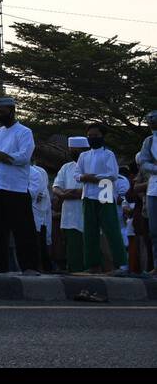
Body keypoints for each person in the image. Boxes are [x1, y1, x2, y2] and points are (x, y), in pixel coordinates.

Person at [0, 96, 40, 274]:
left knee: (23, 230)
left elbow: (24, 156)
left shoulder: (24, 132)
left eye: (2, 111)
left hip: (17, 188)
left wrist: (2, 156)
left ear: (12, 110)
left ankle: (29, 266)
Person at [78, 122, 128, 274]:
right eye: (90, 136)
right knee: (90, 230)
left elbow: (112, 174)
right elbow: (77, 174)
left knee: (111, 228)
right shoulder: (83, 155)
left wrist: (94, 178)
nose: (93, 138)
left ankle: (120, 264)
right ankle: (93, 265)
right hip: (87, 193)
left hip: (104, 190)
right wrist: (84, 177)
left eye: (96, 136)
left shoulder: (108, 154)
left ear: (102, 136)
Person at [52, 137, 88, 273]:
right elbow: (56, 187)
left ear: (84, 150)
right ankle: (74, 272)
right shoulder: (66, 167)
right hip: (69, 215)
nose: (72, 152)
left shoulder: (92, 166)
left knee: (88, 247)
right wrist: (63, 194)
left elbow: (98, 190)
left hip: (87, 213)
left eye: (75, 150)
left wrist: (71, 193)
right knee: (72, 248)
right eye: (71, 150)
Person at [135, 111, 157, 272]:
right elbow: (143, 162)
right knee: (154, 230)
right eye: (150, 122)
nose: (152, 124)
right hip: (154, 188)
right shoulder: (149, 141)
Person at [29, 160, 52, 273]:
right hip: (33, 209)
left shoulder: (37, 172)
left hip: (38, 209)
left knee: (39, 238)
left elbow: (40, 192)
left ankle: (41, 266)